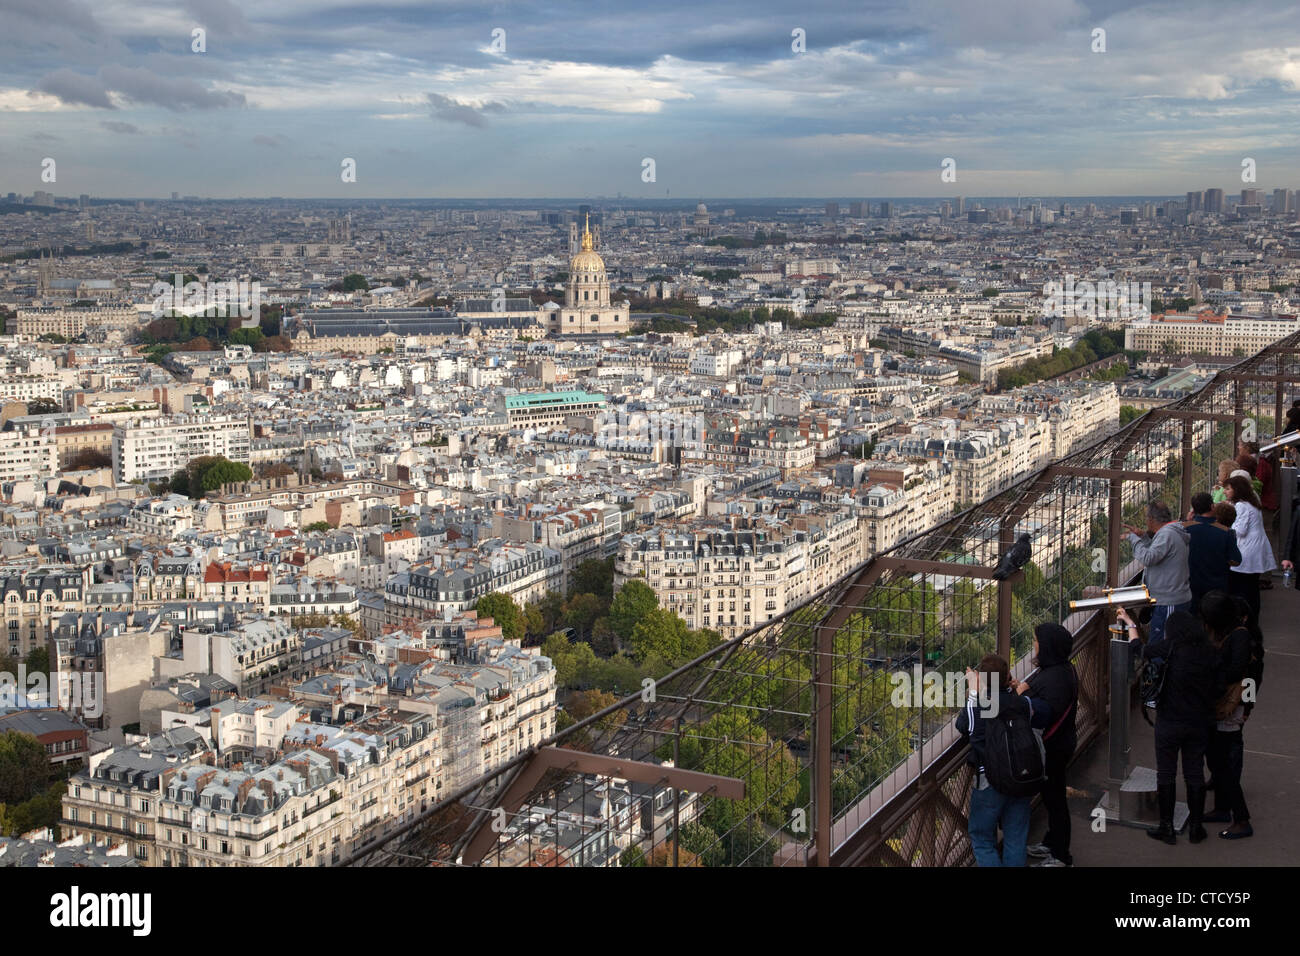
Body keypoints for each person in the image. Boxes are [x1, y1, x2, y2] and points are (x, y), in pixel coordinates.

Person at [956, 653, 1053, 867]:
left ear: (981, 678)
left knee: (982, 839)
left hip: (990, 779)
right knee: (1016, 838)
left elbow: (965, 726)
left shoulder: (980, 704)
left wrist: (974, 693)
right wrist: (1012, 689)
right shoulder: (1021, 703)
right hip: (1021, 775)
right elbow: (1044, 713)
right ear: (1008, 676)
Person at [1134, 609, 1220, 845]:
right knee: (1194, 773)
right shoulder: (1210, 653)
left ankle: (1166, 827)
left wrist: (1131, 627)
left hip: (1169, 722)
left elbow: (1139, 650)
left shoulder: (1170, 648)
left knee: (1166, 772)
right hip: (1199, 723)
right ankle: (1195, 827)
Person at [1017, 622, 1078, 867]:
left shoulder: (1052, 679)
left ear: (1047, 648)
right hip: (1062, 742)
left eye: (1036, 641)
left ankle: (1062, 856)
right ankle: (1052, 843)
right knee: (1054, 799)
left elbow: (1038, 713)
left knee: (1055, 801)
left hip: (1051, 749)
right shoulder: (1064, 670)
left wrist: (1020, 694)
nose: (1034, 645)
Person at [1199, 591, 1254, 840]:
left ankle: (1241, 819)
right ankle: (1222, 809)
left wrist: (1211, 668)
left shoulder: (1240, 638)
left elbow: (1236, 672)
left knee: (1222, 765)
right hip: (1222, 706)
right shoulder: (1233, 632)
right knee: (1216, 761)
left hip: (1229, 708)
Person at [1124, 499, 1192, 642]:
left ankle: (1159, 665)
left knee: (1162, 645)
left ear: (1151, 519)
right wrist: (1143, 537)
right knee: (1166, 642)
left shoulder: (1166, 534)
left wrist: (1134, 539)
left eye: (1147, 519)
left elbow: (1148, 558)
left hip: (1169, 600)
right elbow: (1160, 554)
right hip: (1173, 596)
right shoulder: (1172, 531)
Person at [1223, 474, 1274, 640]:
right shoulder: (1252, 502)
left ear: (1236, 490)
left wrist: (1225, 526)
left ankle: (1241, 622)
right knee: (1252, 588)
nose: (1225, 491)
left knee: (1240, 588)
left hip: (1247, 553)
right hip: (1256, 550)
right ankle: (1252, 621)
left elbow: (1240, 530)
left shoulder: (1241, 506)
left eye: (1228, 488)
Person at [1183, 491, 1241, 608]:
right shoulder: (1226, 532)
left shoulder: (1184, 529)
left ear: (1193, 509)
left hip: (1190, 585)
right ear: (1212, 506)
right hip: (1217, 586)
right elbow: (1236, 560)